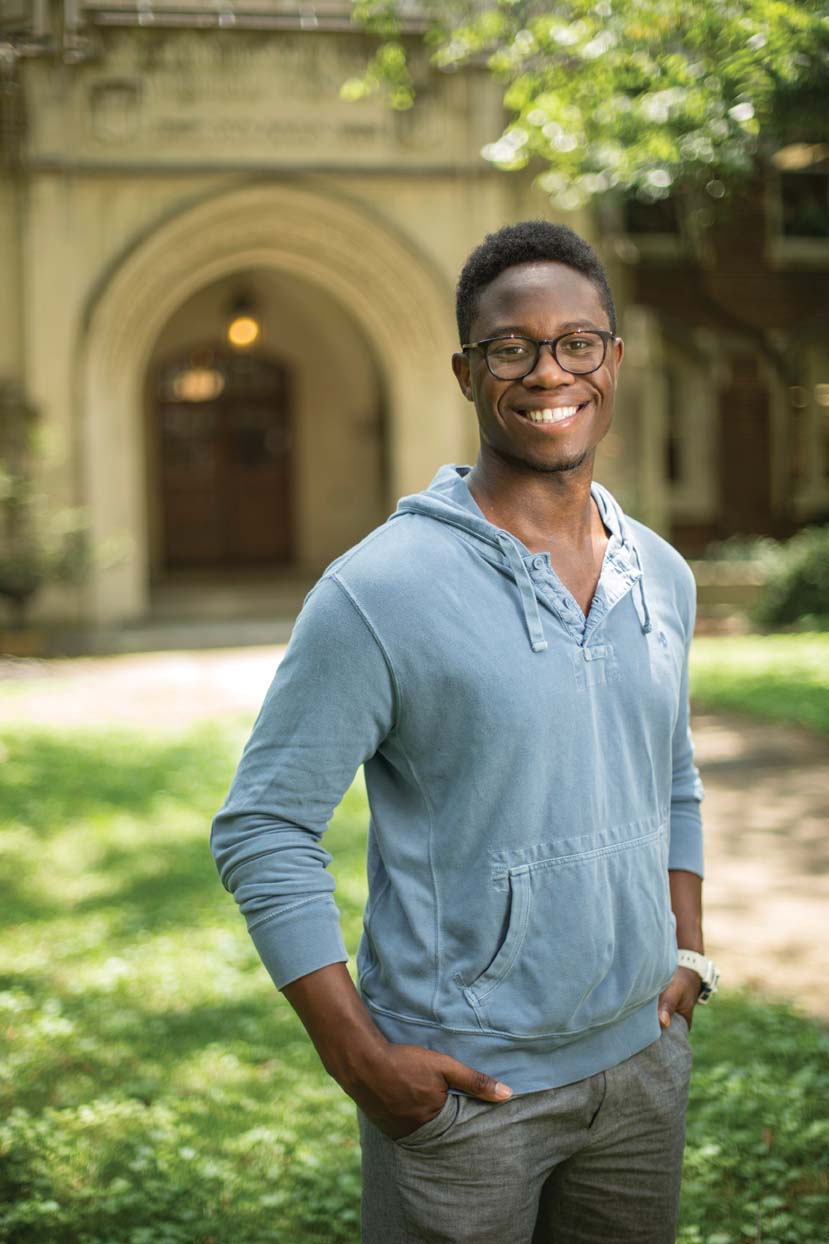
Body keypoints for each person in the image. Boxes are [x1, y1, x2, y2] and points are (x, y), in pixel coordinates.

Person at [210, 220, 719, 1244]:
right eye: (511, 347)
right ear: (466, 372)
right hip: (465, 1096)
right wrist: (359, 1057)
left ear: (612, 360)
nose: (549, 371)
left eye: (576, 342)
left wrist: (687, 947)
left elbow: (669, 770)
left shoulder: (661, 572)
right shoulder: (379, 590)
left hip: (641, 1068)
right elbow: (264, 826)